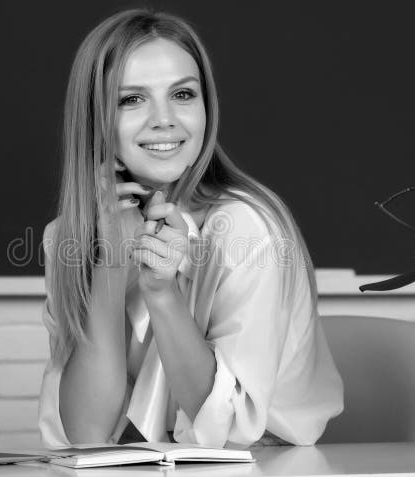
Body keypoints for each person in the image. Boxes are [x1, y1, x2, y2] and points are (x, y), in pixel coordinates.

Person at [38, 8, 343, 449]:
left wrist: (163, 294)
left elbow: (228, 429)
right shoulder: (67, 236)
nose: (164, 119)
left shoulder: (245, 228)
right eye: (131, 99)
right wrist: (109, 265)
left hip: (261, 464)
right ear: (95, 118)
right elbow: (87, 435)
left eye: (182, 94)